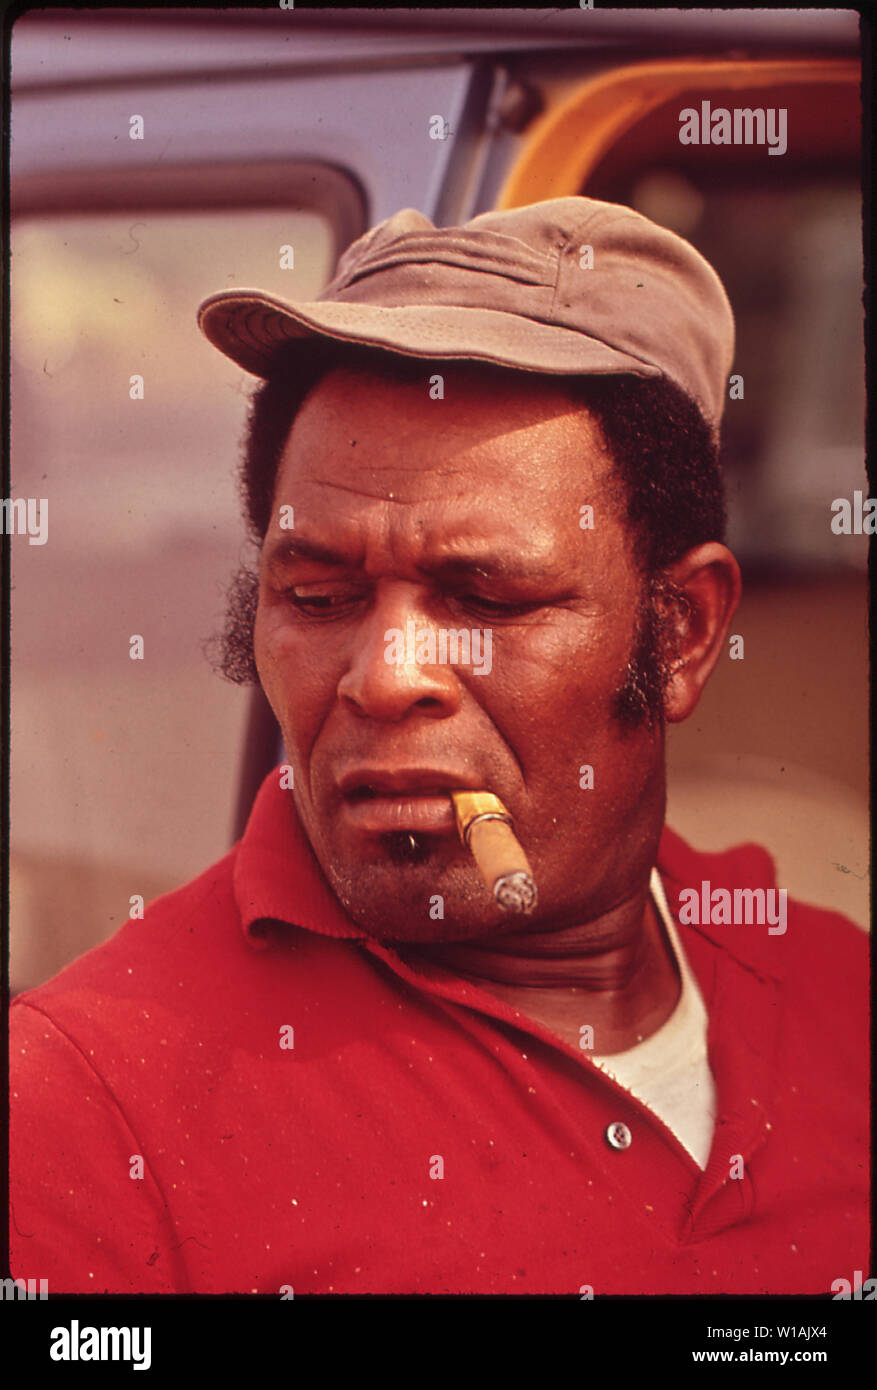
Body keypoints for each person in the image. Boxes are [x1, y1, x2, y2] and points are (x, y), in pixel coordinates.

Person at [10, 198, 868, 1295]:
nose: (382, 675)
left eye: (482, 598)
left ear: (682, 630)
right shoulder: (82, 1111)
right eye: (320, 595)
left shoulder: (837, 994)